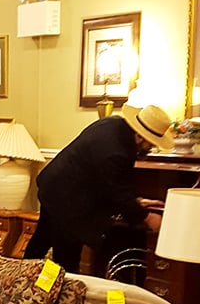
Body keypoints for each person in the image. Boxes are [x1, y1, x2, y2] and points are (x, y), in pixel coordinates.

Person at [24, 103, 175, 272]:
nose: (151, 148)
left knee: (41, 241)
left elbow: (116, 182)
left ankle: (23, 278)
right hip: (67, 200)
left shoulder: (113, 124)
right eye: (151, 143)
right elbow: (116, 191)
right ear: (140, 137)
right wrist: (147, 217)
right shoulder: (116, 150)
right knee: (65, 258)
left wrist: (136, 201)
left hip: (54, 187)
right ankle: (53, 285)